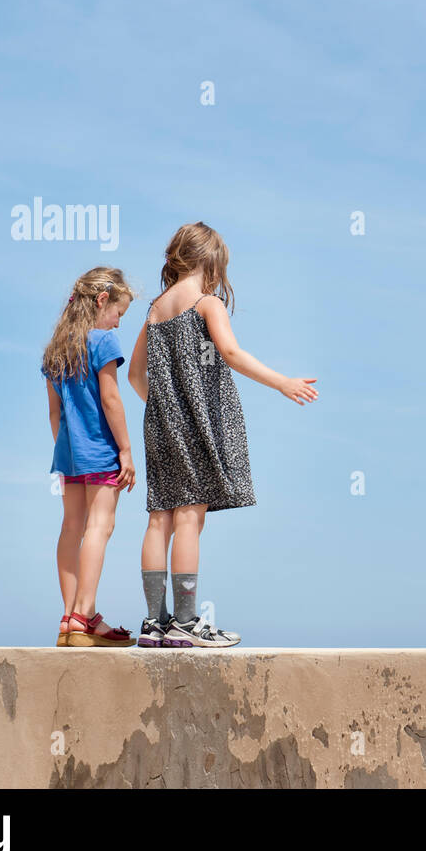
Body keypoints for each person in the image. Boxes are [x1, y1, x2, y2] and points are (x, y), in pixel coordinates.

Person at [128, 222, 317, 648]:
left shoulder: (154, 310)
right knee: (189, 516)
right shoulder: (206, 303)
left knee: (159, 518)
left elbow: (136, 376)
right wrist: (282, 382)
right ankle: (187, 621)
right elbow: (230, 353)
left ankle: (154, 624)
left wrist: (164, 407)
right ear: (210, 261)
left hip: (159, 423)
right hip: (196, 422)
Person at [42, 267, 137, 648]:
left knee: (71, 529)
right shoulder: (102, 343)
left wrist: (69, 446)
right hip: (100, 451)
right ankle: (84, 613)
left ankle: (71, 617)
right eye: (119, 313)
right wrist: (126, 450)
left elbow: (54, 414)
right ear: (102, 301)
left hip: (68, 454)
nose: (117, 323)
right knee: (100, 528)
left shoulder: (56, 350)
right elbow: (111, 399)